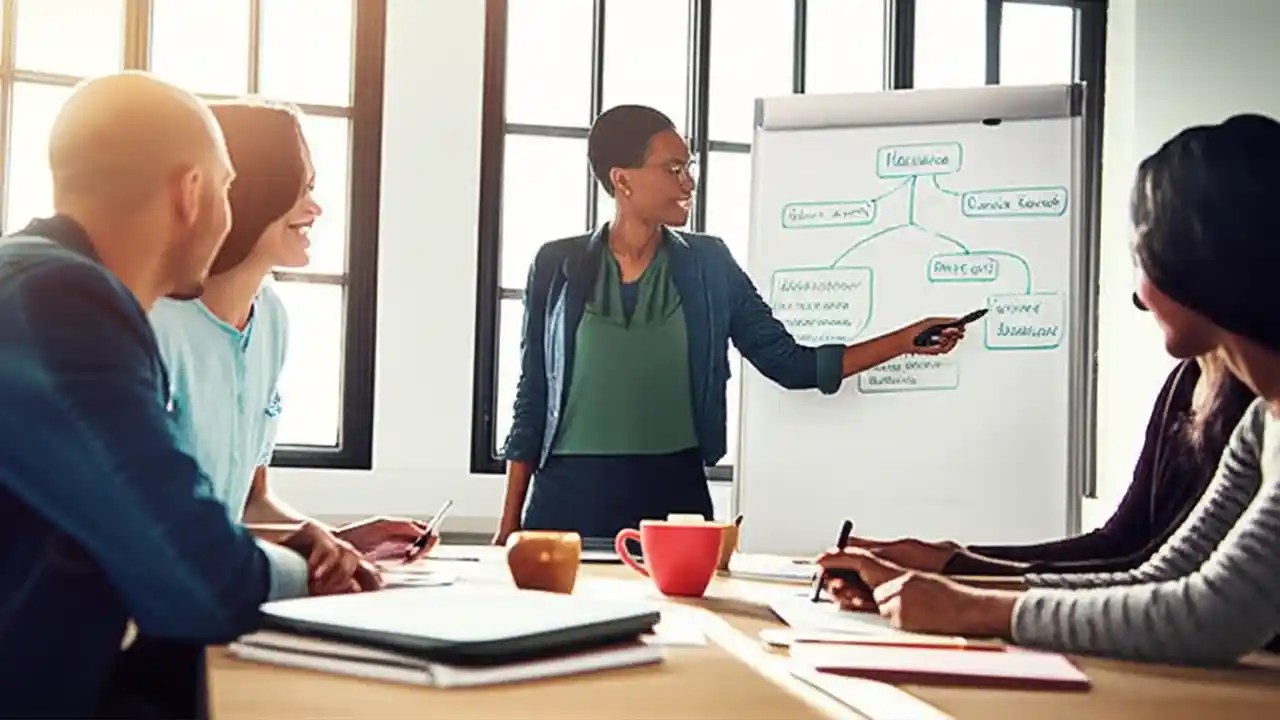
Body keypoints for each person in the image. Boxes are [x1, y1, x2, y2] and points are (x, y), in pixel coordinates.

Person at [818, 113, 1280, 665]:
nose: (1139, 294)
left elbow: (1215, 614)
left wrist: (972, 608)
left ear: (1198, 261)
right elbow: (1159, 576)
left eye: (1143, 258)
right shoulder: (1261, 424)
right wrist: (950, 585)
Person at [0, 73, 357, 717]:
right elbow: (205, 582)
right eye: (226, 186)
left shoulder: (41, 284)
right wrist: (305, 572)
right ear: (191, 193)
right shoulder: (61, 303)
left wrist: (279, 550)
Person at [495, 104, 969, 543]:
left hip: (672, 498)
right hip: (566, 500)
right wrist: (508, 526)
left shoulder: (709, 264)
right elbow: (532, 395)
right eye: (673, 169)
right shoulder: (556, 264)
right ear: (622, 180)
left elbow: (792, 364)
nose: (688, 182)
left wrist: (906, 340)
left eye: (689, 167)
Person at [148, 101, 434, 585]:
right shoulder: (153, 323)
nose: (314, 208)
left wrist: (335, 541)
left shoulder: (272, 318)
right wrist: (299, 550)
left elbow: (250, 501)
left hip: (222, 586)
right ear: (250, 191)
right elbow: (148, 519)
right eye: (301, 189)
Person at [837, 352, 1255, 580]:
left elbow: (1161, 580)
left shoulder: (1258, 407)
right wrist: (952, 558)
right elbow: (1122, 542)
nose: (1140, 296)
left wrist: (957, 575)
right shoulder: (1187, 377)